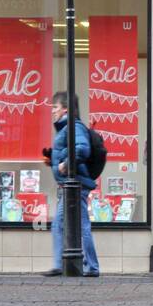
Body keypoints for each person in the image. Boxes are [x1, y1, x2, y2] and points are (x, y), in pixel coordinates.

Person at [42, 91, 100, 277]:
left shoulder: (74, 126)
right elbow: (70, 150)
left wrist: (66, 164)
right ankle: (63, 265)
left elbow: (82, 149)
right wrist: (52, 159)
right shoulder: (67, 128)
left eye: (55, 108)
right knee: (60, 225)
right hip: (69, 186)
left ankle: (91, 266)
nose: (53, 112)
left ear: (65, 109)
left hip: (76, 186)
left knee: (79, 226)